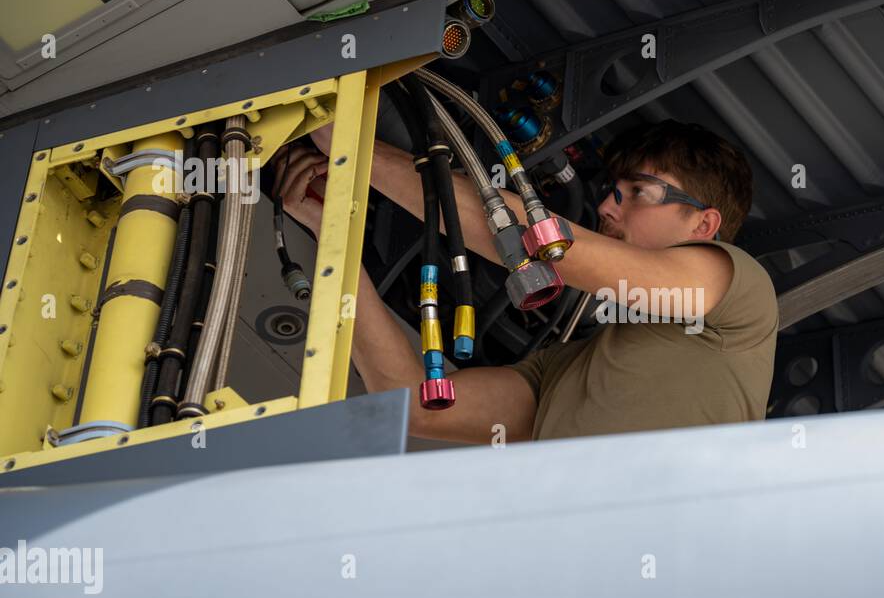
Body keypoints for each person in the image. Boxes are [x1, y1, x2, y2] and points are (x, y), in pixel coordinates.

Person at [276, 118, 777, 443]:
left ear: (703, 226)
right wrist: (333, 233)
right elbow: (414, 405)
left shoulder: (740, 295)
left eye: (639, 192)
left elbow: (546, 245)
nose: (606, 206)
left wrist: (354, 149)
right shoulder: (574, 373)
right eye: (611, 191)